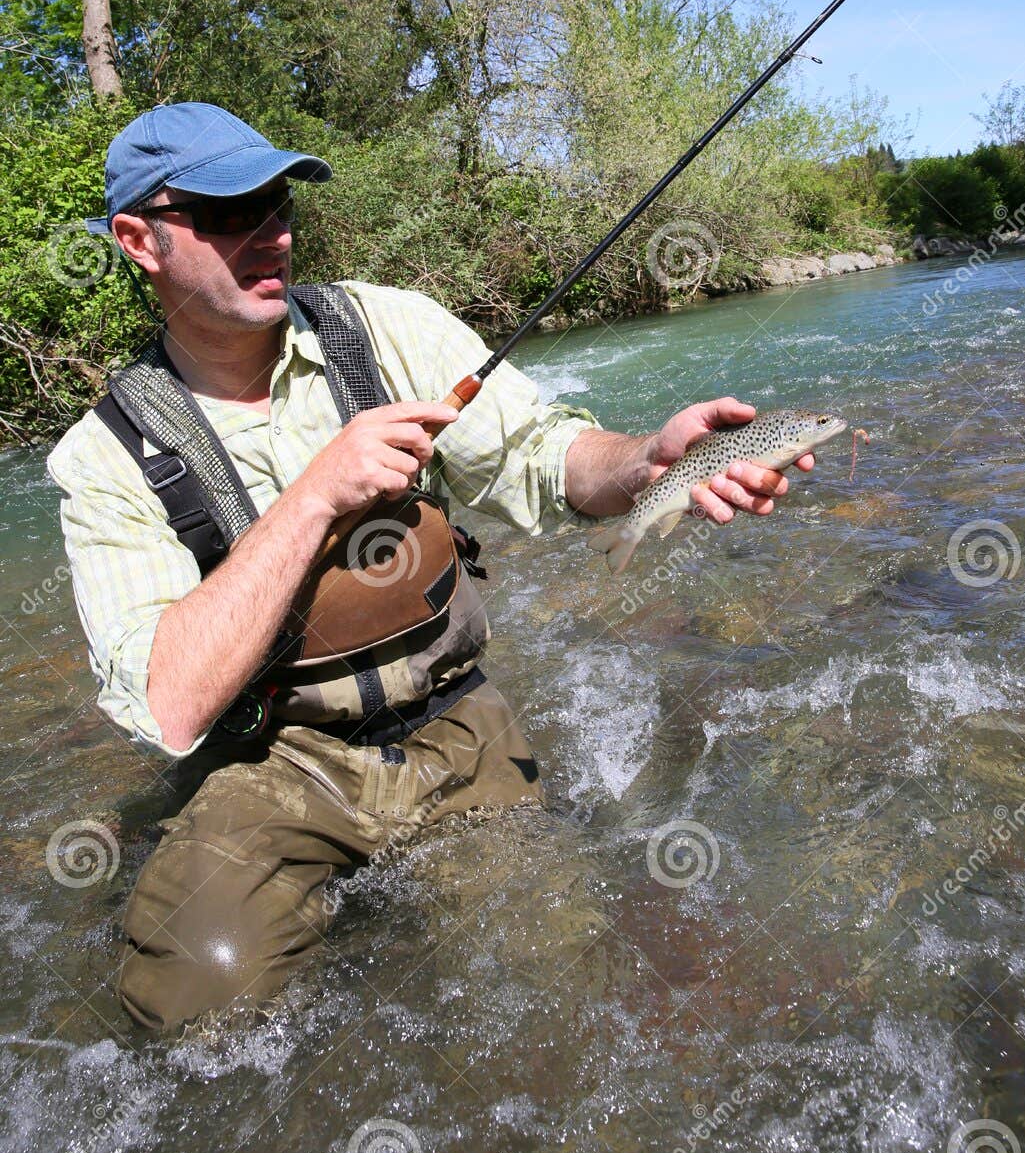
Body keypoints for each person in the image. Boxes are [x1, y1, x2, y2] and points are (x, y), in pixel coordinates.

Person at [48, 103, 815, 1033]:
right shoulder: (104, 457)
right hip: (268, 757)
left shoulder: (387, 328)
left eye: (279, 201)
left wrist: (648, 460)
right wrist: (315, 495)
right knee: (193, 1008)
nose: (272, 232)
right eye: (226, 212)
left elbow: (546, 456)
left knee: (558, 985)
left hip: (452, 720)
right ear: (139, 240)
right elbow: (168, 702)